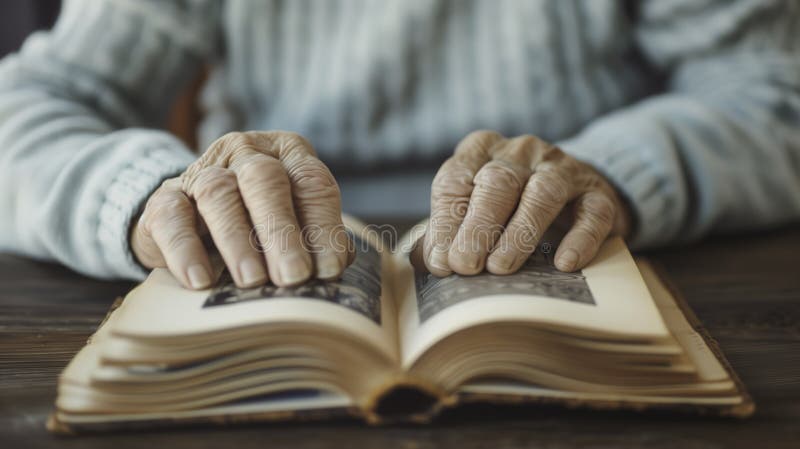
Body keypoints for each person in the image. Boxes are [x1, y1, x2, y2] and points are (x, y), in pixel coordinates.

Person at [0, 0, 798, 291]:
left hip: (578, 258)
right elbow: (28, 102)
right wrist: (136, 194)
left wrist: (617, 173)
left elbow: (772, 92)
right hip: (259, 284)